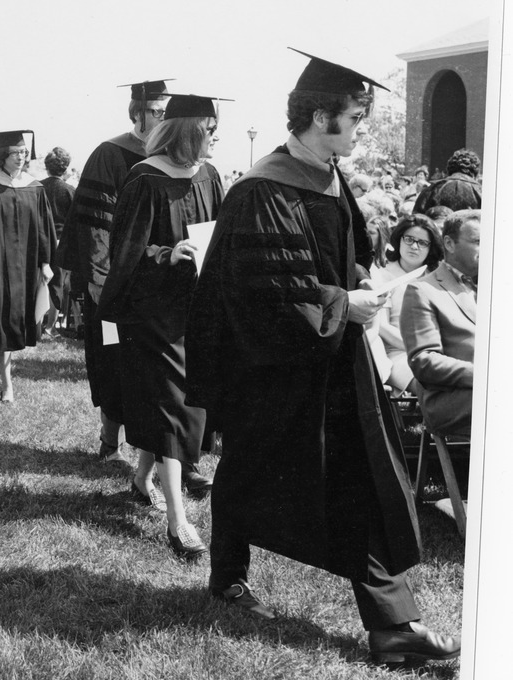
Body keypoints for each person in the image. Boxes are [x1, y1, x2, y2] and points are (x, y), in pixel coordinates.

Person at [185, 49, 458, 665]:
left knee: (339, 473)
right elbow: (265, 293)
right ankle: (233, 577)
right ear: (319, 117)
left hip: (329, 358)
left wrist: (356, 285)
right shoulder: (264, 189)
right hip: (276, 365)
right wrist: (343, 303)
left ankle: (391, 623)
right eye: (355, 116)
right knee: (266, 463)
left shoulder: (327, 175)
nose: (360, 129)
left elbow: (343, 256)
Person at [56, 79, 210, 494]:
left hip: (162, 287)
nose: (163, 116)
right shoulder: (112, 154)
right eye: (157, 110)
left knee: (161, 378)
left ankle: (174, 460)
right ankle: (111, 437)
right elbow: (95, 226)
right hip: (112, 281)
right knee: (113, 359)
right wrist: (99, 280)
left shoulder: (192, 163)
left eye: (167, 111)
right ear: (137, 112)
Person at [98, 95, 225, 557]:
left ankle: (140, 478)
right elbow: (126, 251)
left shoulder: (209, 176)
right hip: (153, 312)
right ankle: (178, 521)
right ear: (187, 130)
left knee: (174, 404)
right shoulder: (145, 178)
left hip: (195, 309)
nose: (214, 138)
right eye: (208, 130)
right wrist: (166, 254)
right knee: (174, 406)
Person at [0, 130, 57, 402]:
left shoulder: (35, 188)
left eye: (24, 153)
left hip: (26, 266)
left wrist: (46, 262)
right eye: (15, 153)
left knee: (14, 322)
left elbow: (43, 230)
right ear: (2, 156)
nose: (20, 157)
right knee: (1, 321)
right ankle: (8, 386)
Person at [400, 209, 479, 440]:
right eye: (478, 242)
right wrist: (485, 376)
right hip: (453, 399)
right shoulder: (422, 290)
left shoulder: (496, 285)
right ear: (449, 244)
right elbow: (424, 360)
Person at [369, 214, 444, 393]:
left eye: (422, 242)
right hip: (398, 354)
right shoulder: (382, 273)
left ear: (431, 247)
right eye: (409, 239)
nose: (414, 246)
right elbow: (381, 326)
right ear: (399, 239)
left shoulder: (438, 277)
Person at [40, 147, 75, 334]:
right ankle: (50, 326)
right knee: (57, 284)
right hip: (61, 242)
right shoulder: (70, 191)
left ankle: (36, 323)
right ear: (65, 167)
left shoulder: (36, 186)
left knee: (39, 282)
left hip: (40, 240)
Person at [413, 149, 482, 213]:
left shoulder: (430, 190)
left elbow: (416, 221)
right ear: (475, 173)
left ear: (449, 170)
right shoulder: (482, 192)